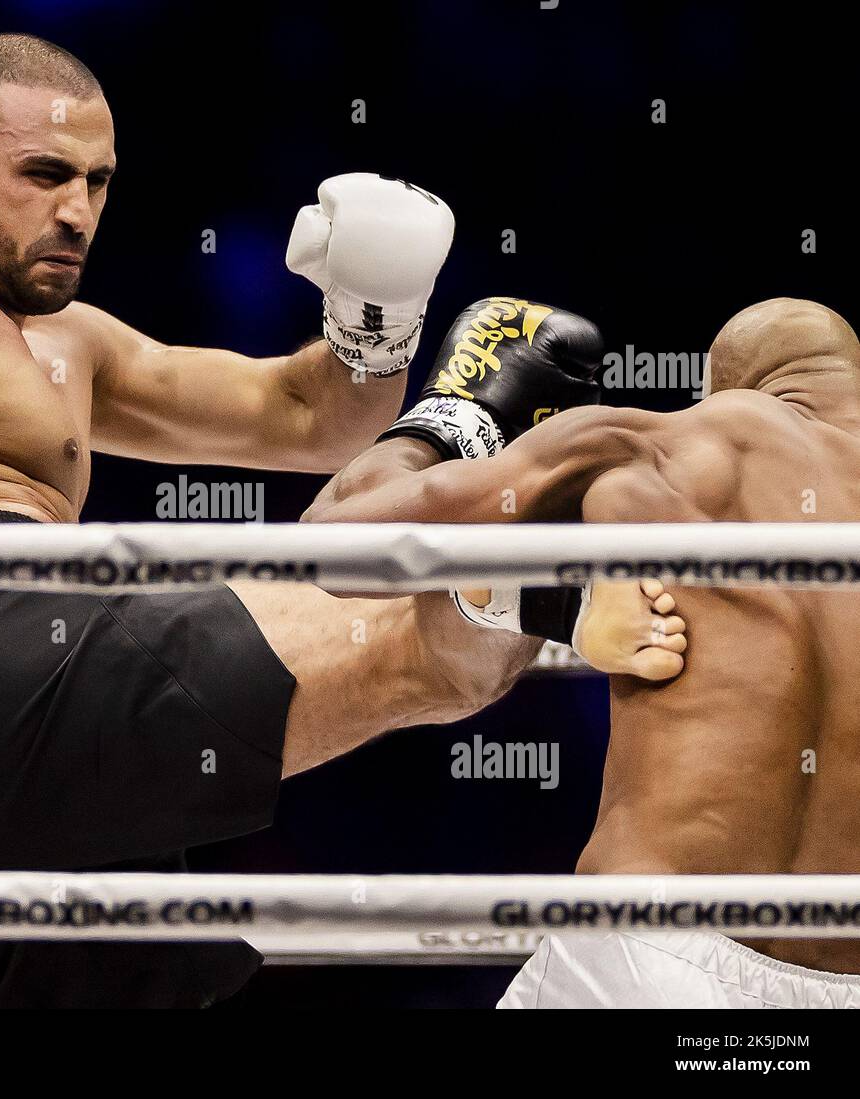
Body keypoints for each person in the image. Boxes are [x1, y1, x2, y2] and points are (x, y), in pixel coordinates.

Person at [0, 35, 682, 1008]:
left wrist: (375, 313)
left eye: (98, 182)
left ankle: (486, 507)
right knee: (413, 643)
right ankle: (493, 495)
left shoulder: (71, 342)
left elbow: (308, 416)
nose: (77, 209)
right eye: (44, 175)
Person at [304, 296, 859, 1007]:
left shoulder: (676, 446)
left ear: (722, 390)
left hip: (647, 947)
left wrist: (455, 416)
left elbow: (334, 545)